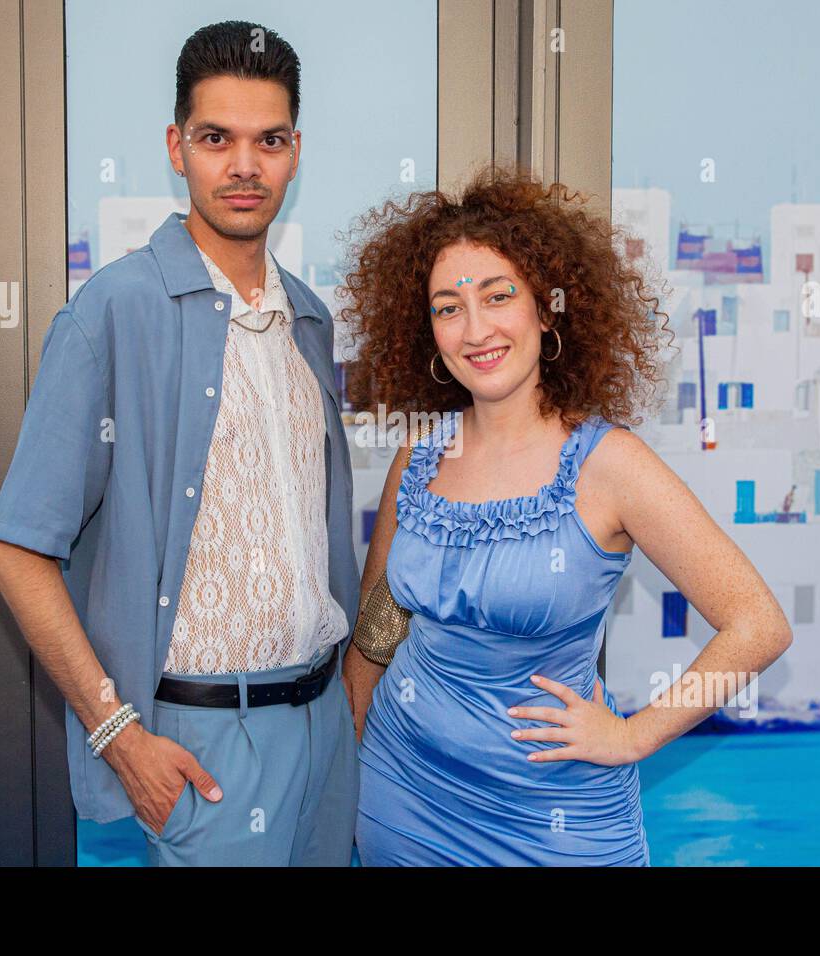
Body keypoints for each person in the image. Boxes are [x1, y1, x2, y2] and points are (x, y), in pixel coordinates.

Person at [339, 166, 794, 866]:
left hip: (555, 815)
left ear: (546, 310)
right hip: (404, 793)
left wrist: (635, 735)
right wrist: (352, 735)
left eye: (499, 297)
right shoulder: (422, 454)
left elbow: (758, 625)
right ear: (427, 329)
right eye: (447, 308)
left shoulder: (610, 465)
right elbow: (383, 614)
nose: (476, 328)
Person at [0, 20, 360, 866]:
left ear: (295, 152)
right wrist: (118, 734)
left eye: (268, 141)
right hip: (201, 750)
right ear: (175, 146)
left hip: (325, 730)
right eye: (215, 138)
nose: (243, 166)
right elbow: (18, 549)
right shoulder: (112, 312)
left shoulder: (309, 319)